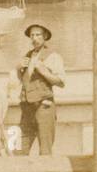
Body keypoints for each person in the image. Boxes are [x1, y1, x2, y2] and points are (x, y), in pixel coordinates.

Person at [16, 23, 64, 155]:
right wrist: (18, 68)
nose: (34, 38)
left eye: (38, 35)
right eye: (32, 35)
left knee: (45, 150)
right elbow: (22, 80)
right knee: (18, 149)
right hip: (27, 107)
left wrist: (43, 71)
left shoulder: (53, 56)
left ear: (45, 37)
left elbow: (61, 82)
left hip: (44, 106)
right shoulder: (27, 56)